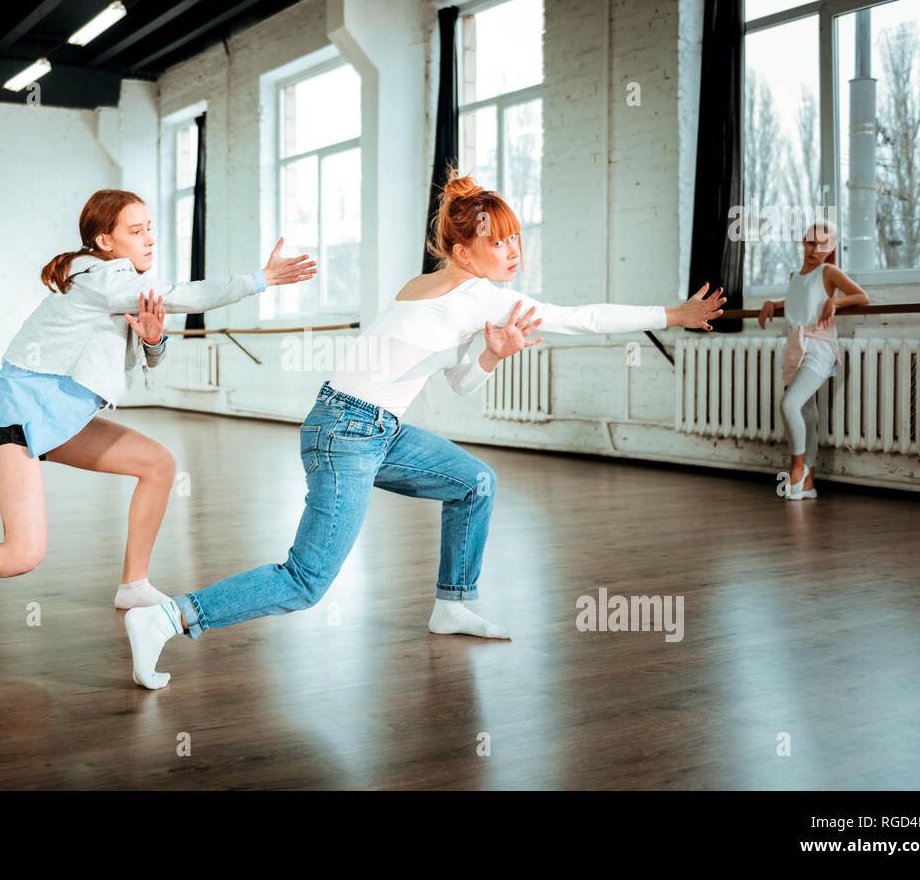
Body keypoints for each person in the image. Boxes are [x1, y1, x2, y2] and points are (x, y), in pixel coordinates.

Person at [124, 174, 726, 688]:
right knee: (307, 581)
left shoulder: (438, 290)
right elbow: (581, 318)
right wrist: (673, 315)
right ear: (465, 252)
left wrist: (493, 355)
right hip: (348, 432)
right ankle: (171, 617)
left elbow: (461, 382)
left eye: (517, 238)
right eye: (498, 241)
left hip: (369, 426)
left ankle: (453, 605)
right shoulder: (472, 296)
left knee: (474, 483)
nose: (513, 250)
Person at [0, 188, 316, 643]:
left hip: (59, 421)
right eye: (135, 231)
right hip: (17, 421)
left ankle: (134, 585)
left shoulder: (119, 285)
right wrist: (261, 279)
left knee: (157, 464)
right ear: (104, 242)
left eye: (150, 229)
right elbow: (184, 295)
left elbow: (149, 358)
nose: (149, 239)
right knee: (21, 554)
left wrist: (155, 340)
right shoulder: (103, 280)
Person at [758, 219, 868, 499]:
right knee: (807, 413)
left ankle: (797, 467)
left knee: (789, 404)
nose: (814, 249)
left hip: (819, 348)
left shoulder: (829, 271)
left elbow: (861, 296)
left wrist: (835, 301)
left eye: (822, 244)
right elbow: (799, 300)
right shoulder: (796, 275)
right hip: (796, 347)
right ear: (803, 242)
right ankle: (809, 484)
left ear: (830, 249)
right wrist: (774, 303)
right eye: (810, 242)